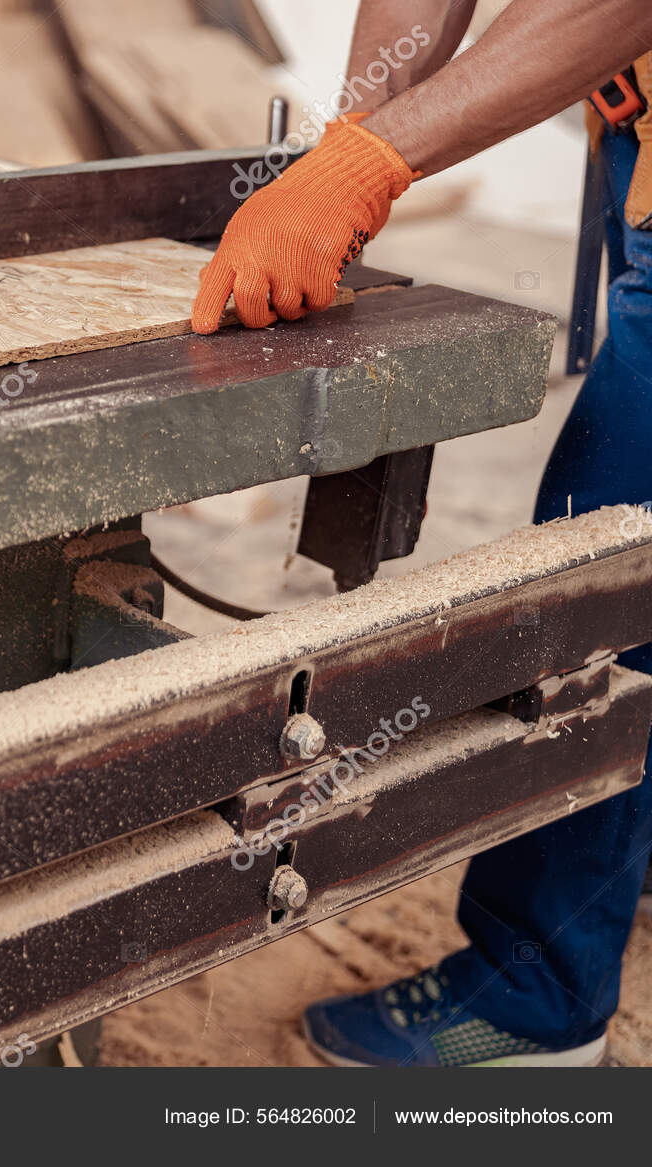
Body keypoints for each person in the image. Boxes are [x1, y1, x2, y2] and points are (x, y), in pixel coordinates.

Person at [192, 0, 652, 1066]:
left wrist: (365, 170)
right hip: (628, 128)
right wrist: (348, 144)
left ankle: (534, 1001)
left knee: (597, 576)